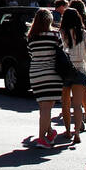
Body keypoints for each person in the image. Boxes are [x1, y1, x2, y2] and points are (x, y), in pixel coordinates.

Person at [26, 9, 63, 149]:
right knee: (47, 108)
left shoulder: (31, 37)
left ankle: (50, 132)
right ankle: (41, 138)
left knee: (43, 107)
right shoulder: (55, 35)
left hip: (35, 73)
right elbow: (61, 52)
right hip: (52, 74)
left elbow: (31, 54)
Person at [59, 7, 86, 146]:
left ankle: (67, 131)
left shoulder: (62, 33)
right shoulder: (83, 33)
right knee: (77, 105)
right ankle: (77, 133)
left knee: (65, 104)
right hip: (79, 69)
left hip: (65, 70)